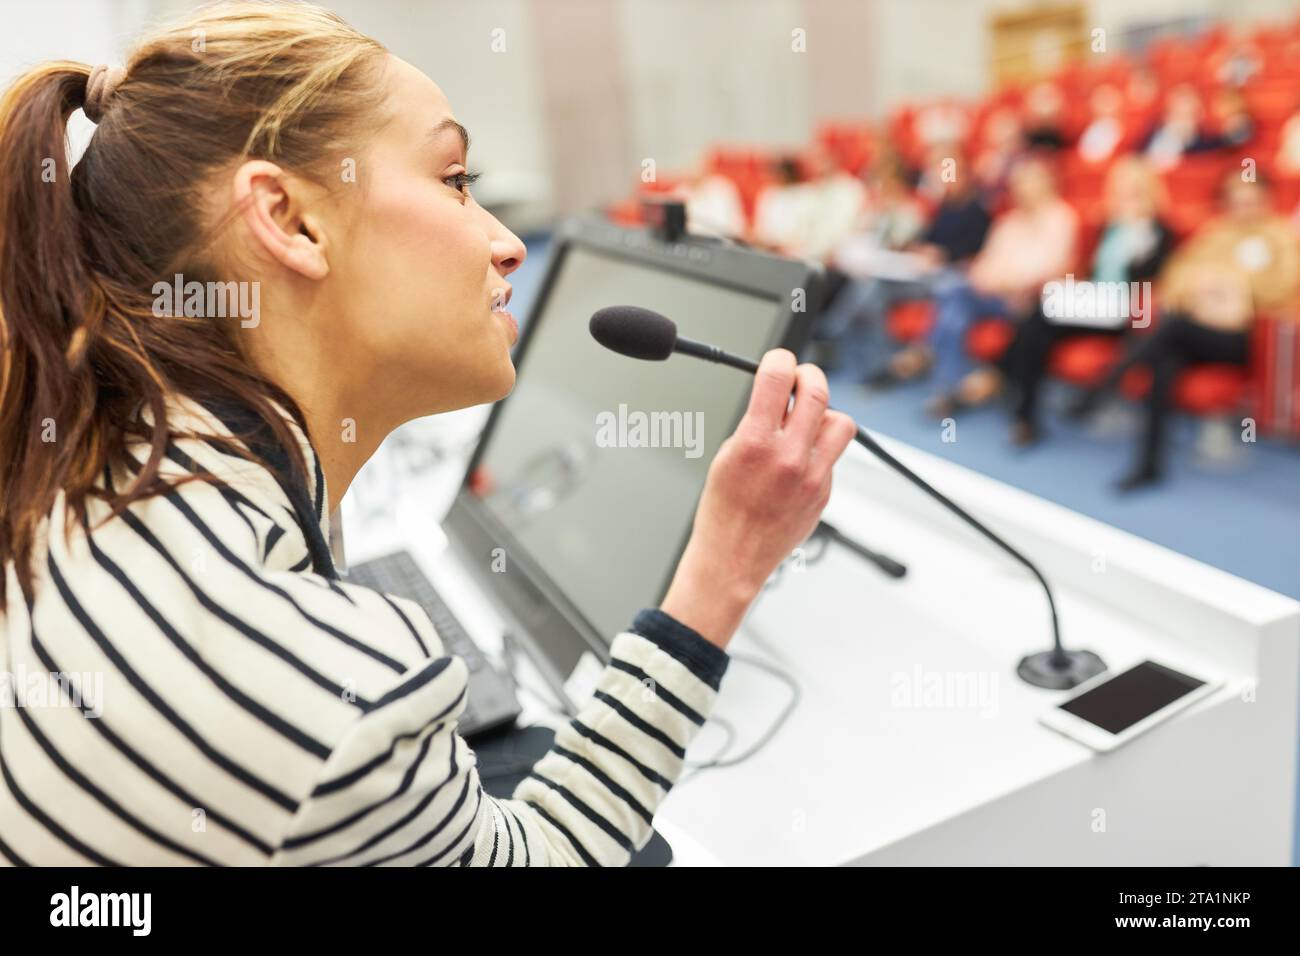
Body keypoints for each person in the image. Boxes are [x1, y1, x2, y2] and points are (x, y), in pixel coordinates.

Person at [0, 2, 857, 866]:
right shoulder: (334, 692)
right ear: (289, 220)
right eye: (453, 178)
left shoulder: (95, 461)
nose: (510, 244)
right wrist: (726, 565)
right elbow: (542, 859)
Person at [1070, 173, 1300, 489]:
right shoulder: (1216, 232)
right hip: (1196, 328)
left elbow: (1282, 287)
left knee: (1172, 328)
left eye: (1250, 201)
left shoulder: (1281, 238)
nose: (1242, 208)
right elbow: (1176, 274)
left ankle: (1105, 384)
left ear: (1266, 201)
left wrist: (1226, 284)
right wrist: (1200, 290)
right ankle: (1149, 464)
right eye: (1236, 201)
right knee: (1164, 360)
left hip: (1242, 336)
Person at [980, 156, 1177, 445]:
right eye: (1119, 188)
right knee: (1036, 326)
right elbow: (1096, 273)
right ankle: (1025, 413)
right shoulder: (1109, 226)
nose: (1124, 196)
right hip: (1094, 302)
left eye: (1131, 189)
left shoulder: (1158, 231)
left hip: (1125, 308)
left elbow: (1145, 279)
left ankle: (1004, 382)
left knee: (1039, 314)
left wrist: (1139, 237)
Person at [877, 154, 1077, 418]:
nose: (1020, 190)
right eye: (1017, 185)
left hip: (1027, 300)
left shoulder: (1060, 218)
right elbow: (984, 263)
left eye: (1027, 184)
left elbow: (1054, 267)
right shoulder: (1009, 222)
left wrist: (1006, 282)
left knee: (953, 296)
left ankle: (928, 362)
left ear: (1046, 184)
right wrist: (987, 280)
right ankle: (947, 386)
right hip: (991, 294)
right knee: (953, 296)